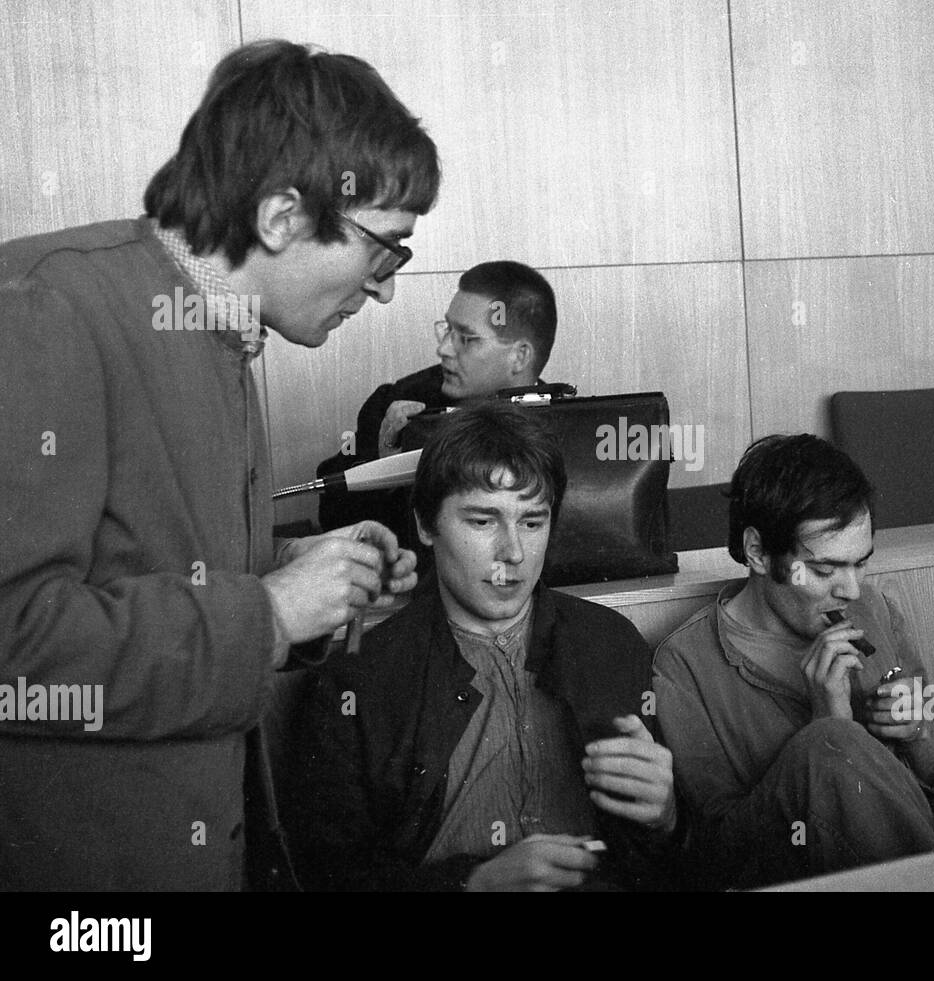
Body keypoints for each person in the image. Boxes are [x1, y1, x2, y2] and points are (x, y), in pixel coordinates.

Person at [0, 39, 440, 890]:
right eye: (385, 248)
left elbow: (144, 575)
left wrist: (300, 583)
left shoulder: (224, 330)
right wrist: (267, 611)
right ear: (280, 216)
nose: (387, 287)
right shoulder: (44, 310)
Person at [286, 401, 680, 891]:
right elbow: (328, 879)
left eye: (532, 522)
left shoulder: (609, 643)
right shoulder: (357, 681)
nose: (512, 552)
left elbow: (662, 866)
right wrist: (474, 884)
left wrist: (664, 816)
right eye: (482, 521)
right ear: (426, 526)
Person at [652, 434, 934, 889]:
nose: (851, 590)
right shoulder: (684, 664)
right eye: (824, 571)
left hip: (907, 873)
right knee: (828, 741)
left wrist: (921, 734)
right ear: (758, 552)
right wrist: (829, 726)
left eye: (861, 564)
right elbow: (717, 856)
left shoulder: (873, 612)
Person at [316, 260, 557, 537]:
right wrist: (384, 471)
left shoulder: (564, 426)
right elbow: (331, 513)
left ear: (519, 357)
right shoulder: (398, 407)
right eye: (447, 330)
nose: (443, 349)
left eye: (466, 339)